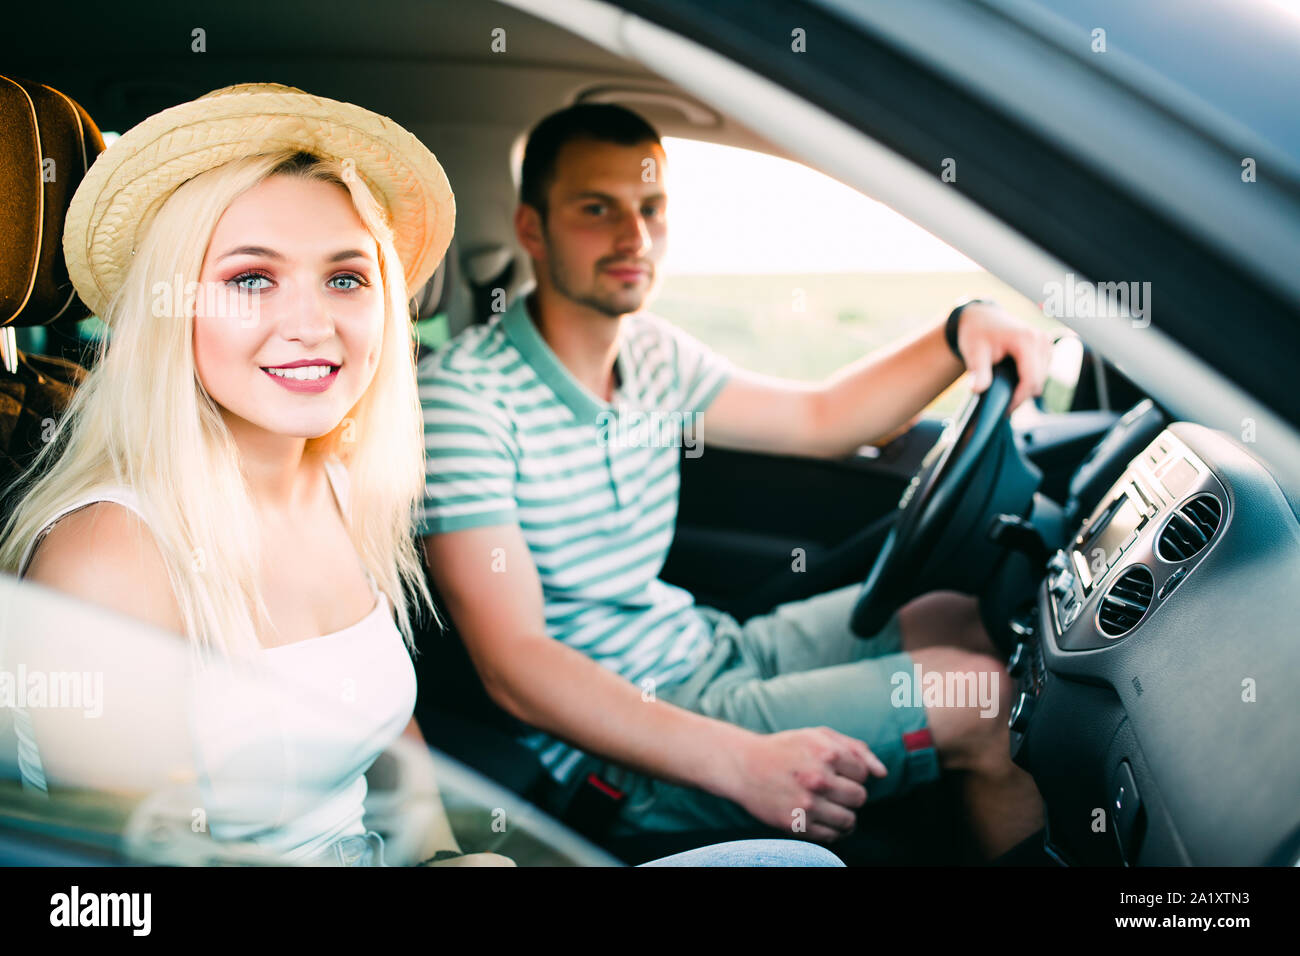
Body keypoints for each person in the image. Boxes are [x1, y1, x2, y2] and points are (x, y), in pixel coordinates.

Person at [0, 84, 836, 867]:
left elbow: (392, 735)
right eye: (252, 278)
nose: (312, 323)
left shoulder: (336, 488)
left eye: (345, 277)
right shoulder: (110, 557)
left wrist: (446, 854)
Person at [417, 104, 1051, 859]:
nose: (635, 237)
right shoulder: (463, 398)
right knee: (985, 704)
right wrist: (740, 761)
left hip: (707, 649)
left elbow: (823, 418)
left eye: (651, 208)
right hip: (620, 753)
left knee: (963, 616)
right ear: (532, 228)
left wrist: (958, 332)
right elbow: (515, 664)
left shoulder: (652, 353)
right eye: (597, 209)